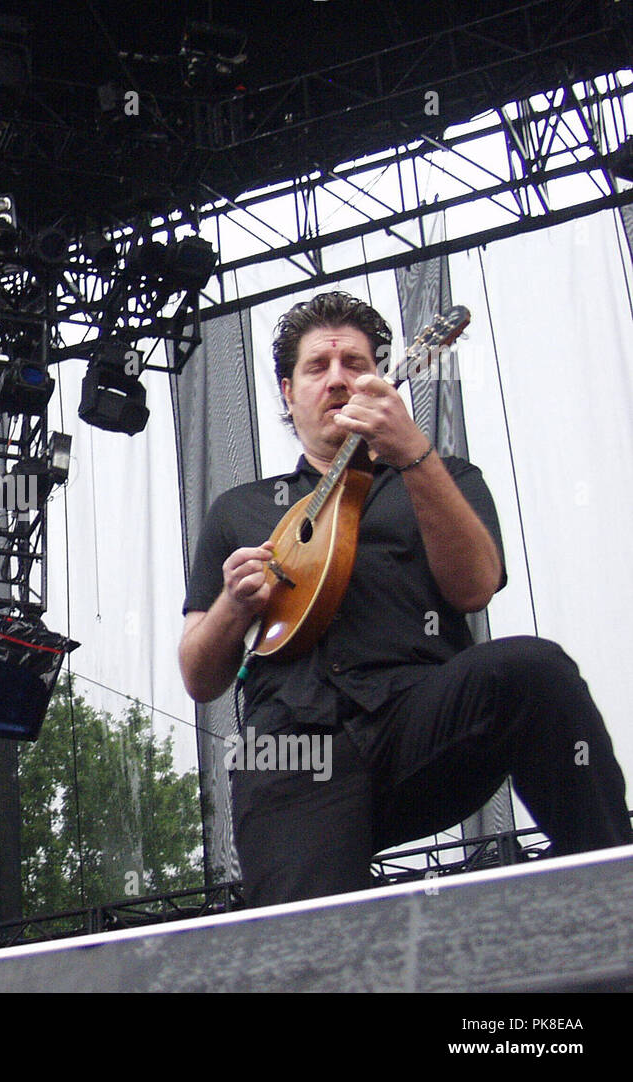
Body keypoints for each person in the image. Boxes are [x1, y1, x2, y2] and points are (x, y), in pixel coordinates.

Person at [178, 290, 631, 907]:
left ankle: (613, 895)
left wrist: (412, 454)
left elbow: (473, 588)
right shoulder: (240, 510)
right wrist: (233, 604)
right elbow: (199, 677)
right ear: (288, 393)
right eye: (317, 367)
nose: (338, 380)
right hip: (293, 749)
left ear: (386, 379)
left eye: (357, 365)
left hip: (419, 718)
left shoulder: (446, 477)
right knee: (310, 956)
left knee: (533, 668)